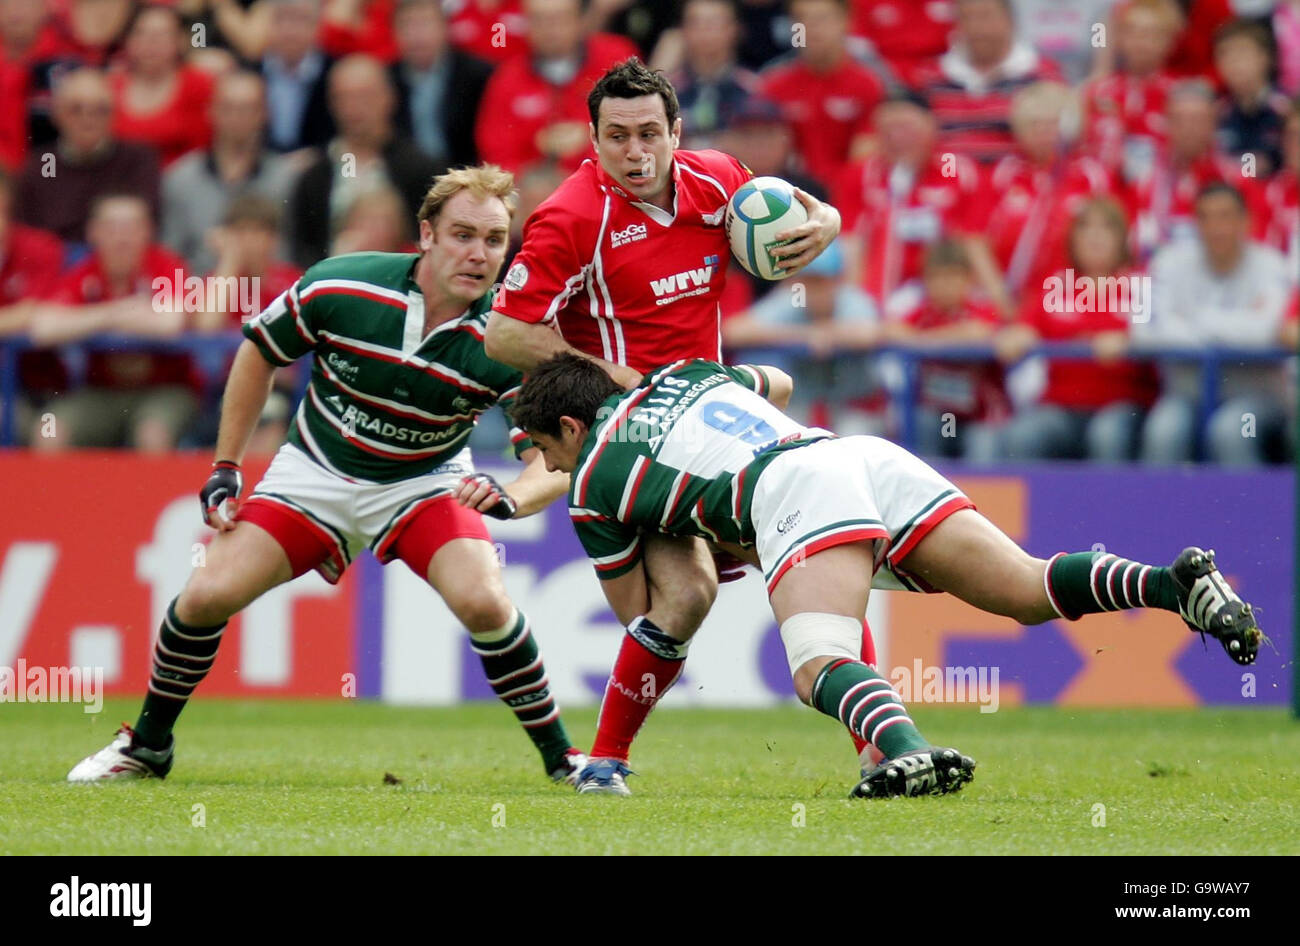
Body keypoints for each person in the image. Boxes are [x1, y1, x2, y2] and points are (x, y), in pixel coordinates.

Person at [511, 352, 1264, 796]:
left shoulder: (591, 482)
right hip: (861, 455)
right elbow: (771, 381)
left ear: (572, 427)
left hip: (792, 492)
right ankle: (1174, 585)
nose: (545, 466)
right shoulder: (685, 373)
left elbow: (642, 611)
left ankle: (903, 751)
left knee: (817, 667)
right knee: (1027, 590)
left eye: (543, 447)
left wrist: (697, 539)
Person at [67, 165, 587, 785]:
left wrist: (512, 496)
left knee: (483, 600)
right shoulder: (343, 285)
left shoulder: (509, 340)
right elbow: (260, 351)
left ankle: (564, 760)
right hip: (314, 470)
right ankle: (148, 745)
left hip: (422, 483)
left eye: (495, 240)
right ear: (426, 234)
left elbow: (560, 457)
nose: (478, 254)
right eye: (462, 234)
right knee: (205, 595)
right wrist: (226, 466)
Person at [485, 57, 844, 793]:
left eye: (650, 132)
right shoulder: (571, 216)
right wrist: (607, 376)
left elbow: (792, 204)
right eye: (616, 136)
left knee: (801, 549)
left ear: (678, 132)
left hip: (713, 421)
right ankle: (605, 760)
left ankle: (883, 746)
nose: (635, 152)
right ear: (593, 138)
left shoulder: (715, 179)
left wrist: (828, 220)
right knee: (675, 602)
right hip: (629, 439)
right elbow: (504, 335)